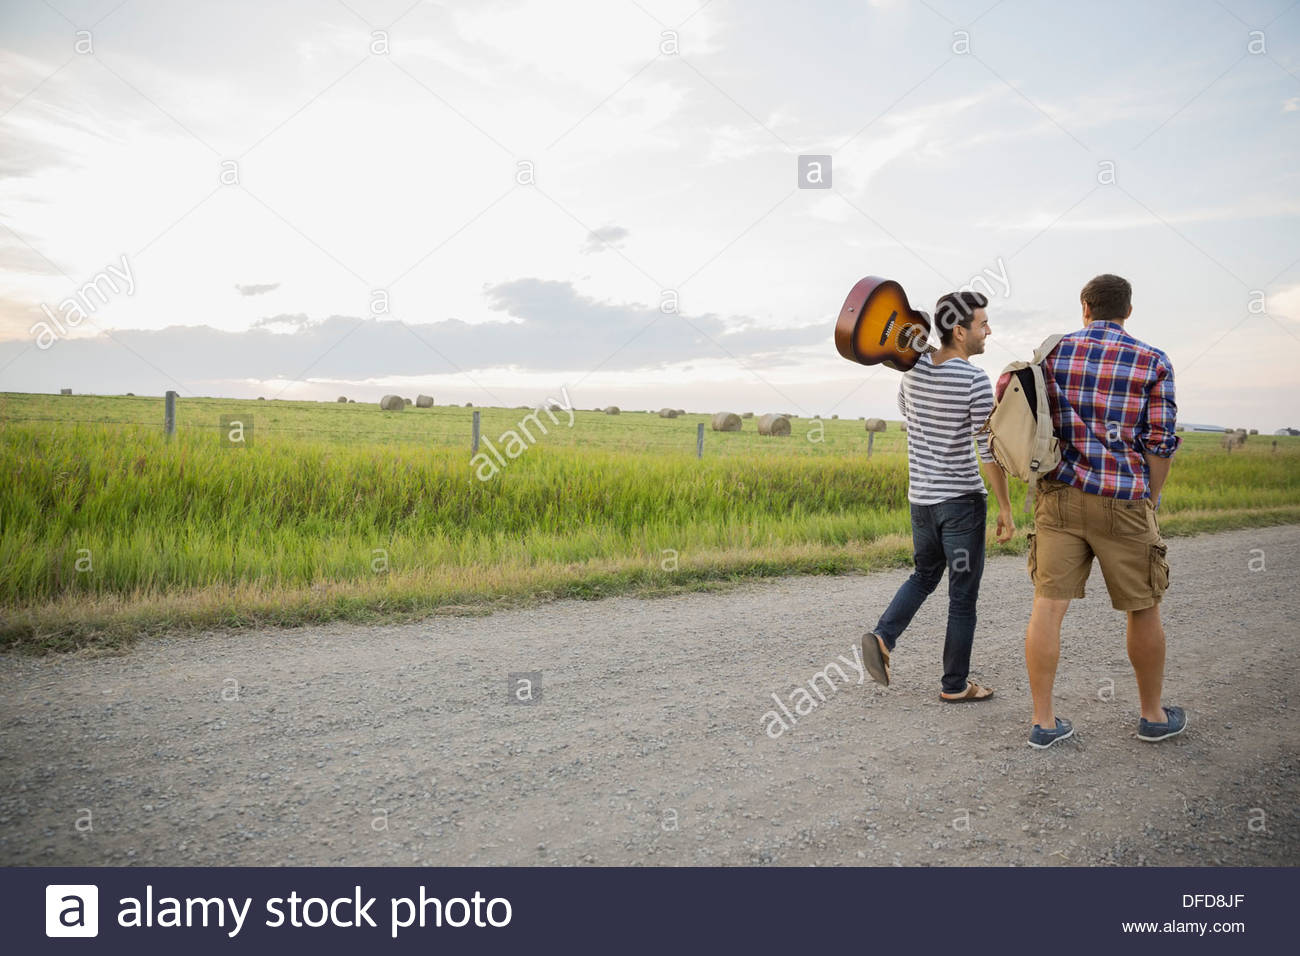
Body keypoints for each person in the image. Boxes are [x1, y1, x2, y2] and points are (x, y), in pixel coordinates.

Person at [1023, 274, 1183, 749]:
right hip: (1124, 499)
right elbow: (1160, 442)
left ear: (1085, 307)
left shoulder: (1051, 354)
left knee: (1048, 607)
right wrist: (1149, 498)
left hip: (1059, 497)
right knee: (1143, 607)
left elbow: (1031, 420)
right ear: (1128, 311)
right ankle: (1152, 717)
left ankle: (1044, 723)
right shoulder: (1153, 361)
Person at [860, 291, 1014, 700]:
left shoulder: (911, 372)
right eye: (983, 324)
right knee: (962, 596)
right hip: (961, 502)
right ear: (960, 332)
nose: (989, 331)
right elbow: (988, 449)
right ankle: (954, 685)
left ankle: (883, 637)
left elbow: (908, 415)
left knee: (924, 574)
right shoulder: (976, 380)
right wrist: (1005, 507)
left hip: (921, 501)